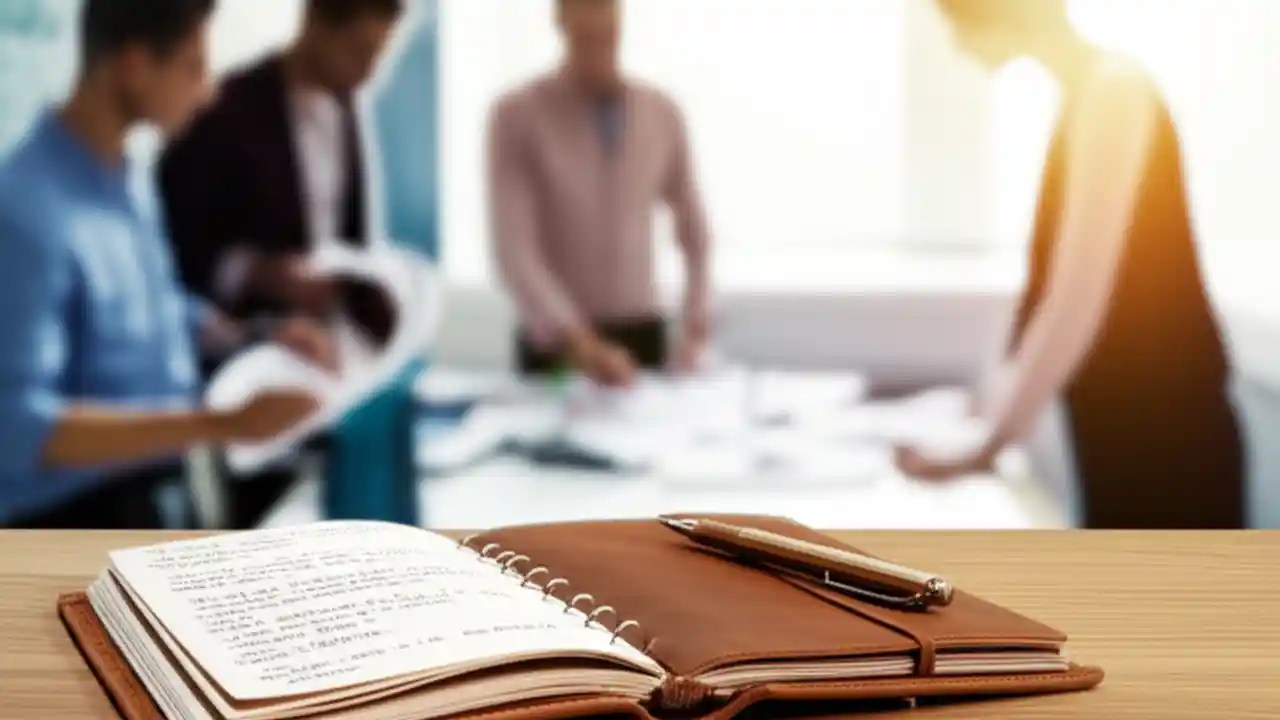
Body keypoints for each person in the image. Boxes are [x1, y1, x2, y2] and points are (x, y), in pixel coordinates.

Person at [895, 0, 1244, 529]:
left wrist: (987, 445)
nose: (955, 42)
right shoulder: (1084, 96)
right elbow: (1050, 293)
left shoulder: (1114, 91)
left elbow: (1076, 298)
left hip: (1166, 433)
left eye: (954, 21)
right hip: (1122, 425)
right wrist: (986, 410)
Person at [0, 0, 327, 529]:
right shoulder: (22, 211)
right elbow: (14, 427)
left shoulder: (128, 176)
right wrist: (222, 423)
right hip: (73, 520)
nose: (207, 92)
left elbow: (152, 306)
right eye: (192, 67)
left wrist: (255, 336)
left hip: (162, 493)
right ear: (133, 66)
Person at [489, 0, 713, 387]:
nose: (597, 37)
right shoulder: (517, 116)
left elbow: (694, 232)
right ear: (560, 20)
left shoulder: (661, 112)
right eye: (584, 30)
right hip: (558, 351)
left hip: (642, 338)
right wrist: (581, 342)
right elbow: (514, 251)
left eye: (606, 27)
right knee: (554, 444)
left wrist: (695, 322)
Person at [160, 0, 403, 325]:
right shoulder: (221, 110)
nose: (369, 73)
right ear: (313, 21)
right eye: (360, 52)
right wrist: (260, 273)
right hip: (243, 343)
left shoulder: (351, 109)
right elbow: (174, 248)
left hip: (330, 343)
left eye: (380, 58)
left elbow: (356, 240)